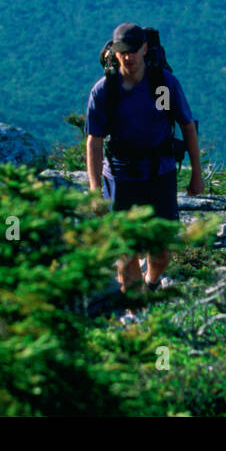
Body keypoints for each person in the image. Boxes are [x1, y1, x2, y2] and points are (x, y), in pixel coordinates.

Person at [84, 22, 202, 298]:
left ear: (145, 49)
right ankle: (136, 315)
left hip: (159, 174)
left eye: (135, 50)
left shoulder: (163, 84)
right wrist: (94, 189)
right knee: (125, 251)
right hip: (121, 176)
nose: (130, 57)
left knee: (161, 253)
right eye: (123, 51)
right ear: (114, 53)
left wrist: (197, 174)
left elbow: (187, 126)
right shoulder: (104, 91)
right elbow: (95, 140)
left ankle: (151, 281)